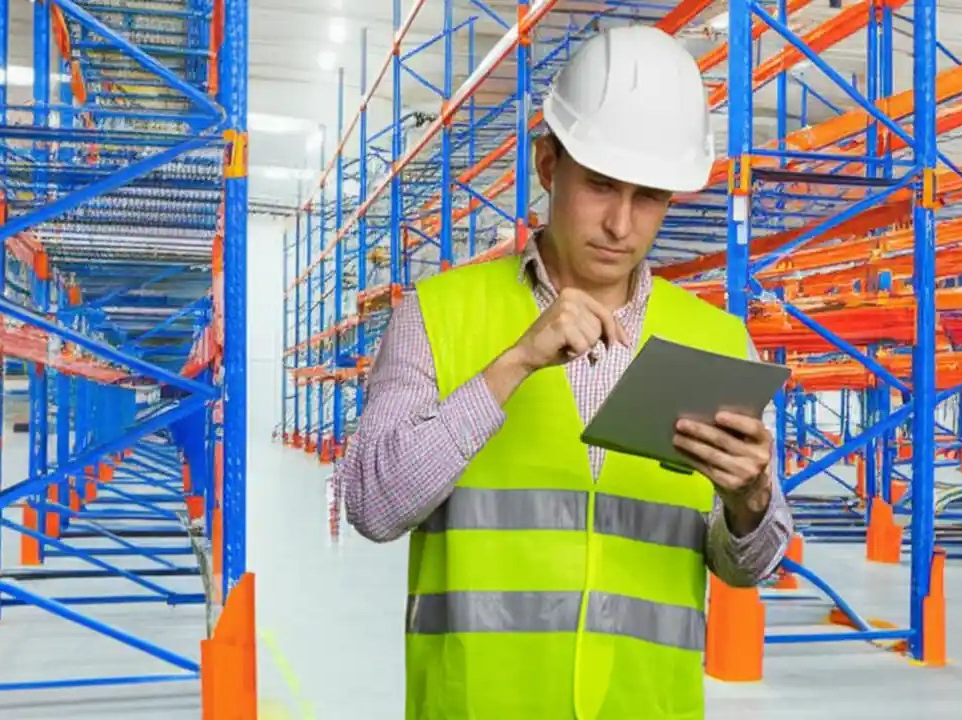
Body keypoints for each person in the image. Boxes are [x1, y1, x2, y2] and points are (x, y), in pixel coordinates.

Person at [336, 24, 793, 720]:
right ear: (549, 165)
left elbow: (747, 567)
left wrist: (750, 501)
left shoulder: (718, 342)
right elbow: (373, 507)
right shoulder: (436, 316)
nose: (621, 224)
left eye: (650, 196)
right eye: (601, 185)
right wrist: (512, 366)